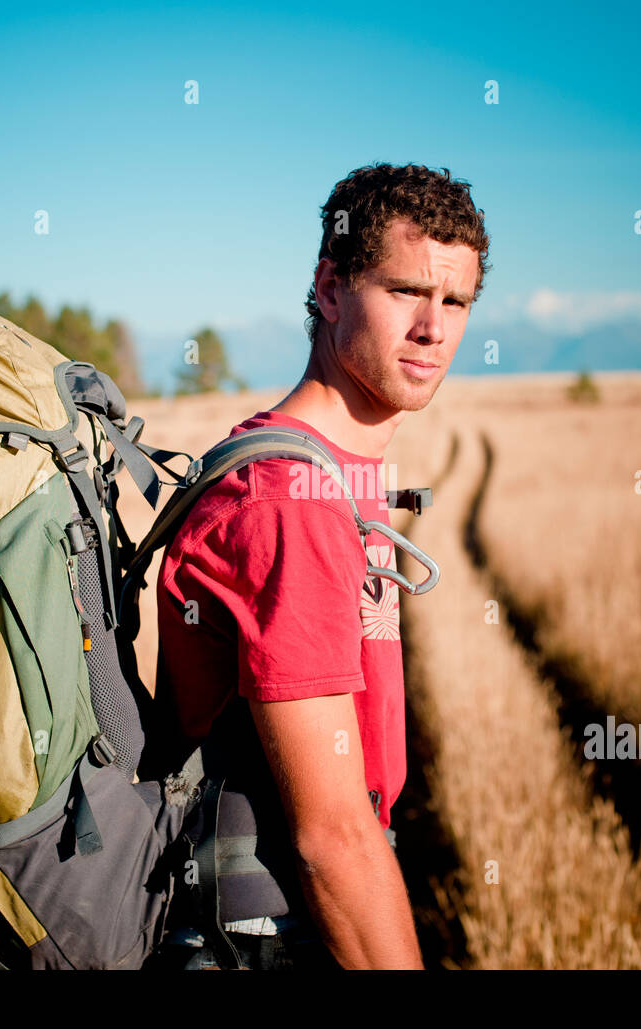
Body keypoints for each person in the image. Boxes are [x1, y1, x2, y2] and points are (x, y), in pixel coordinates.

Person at [139, 162, 490, 970]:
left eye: (456, 301)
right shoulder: (288, 502)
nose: (434, 329)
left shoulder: (319, 474)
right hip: (268, 941)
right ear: (331, 289)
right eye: (405, 291)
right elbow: (330, 837)